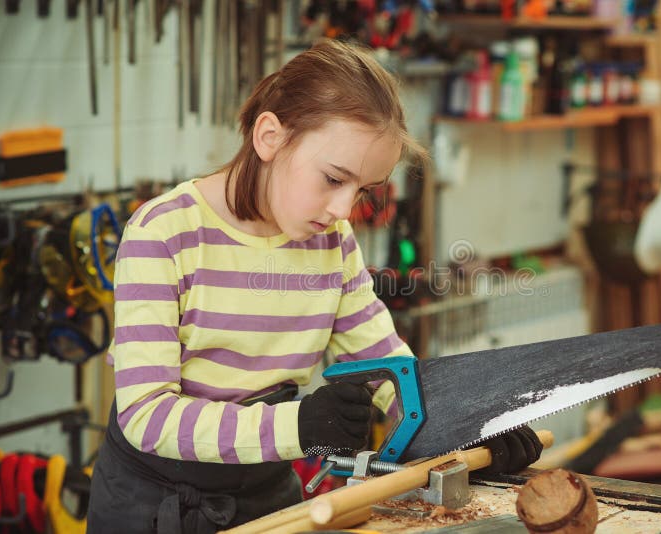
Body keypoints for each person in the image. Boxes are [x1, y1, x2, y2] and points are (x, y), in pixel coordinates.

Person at [87, 39, 542, 533]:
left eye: (362, 190)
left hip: (266, 493)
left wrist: (473, 425)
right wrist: (298, 426)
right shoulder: (161, 233)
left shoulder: (332, 244)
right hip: (151, 503)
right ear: (269, 137)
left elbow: (392, 373)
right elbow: (146, 416)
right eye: (332, 179)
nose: (344, 210)